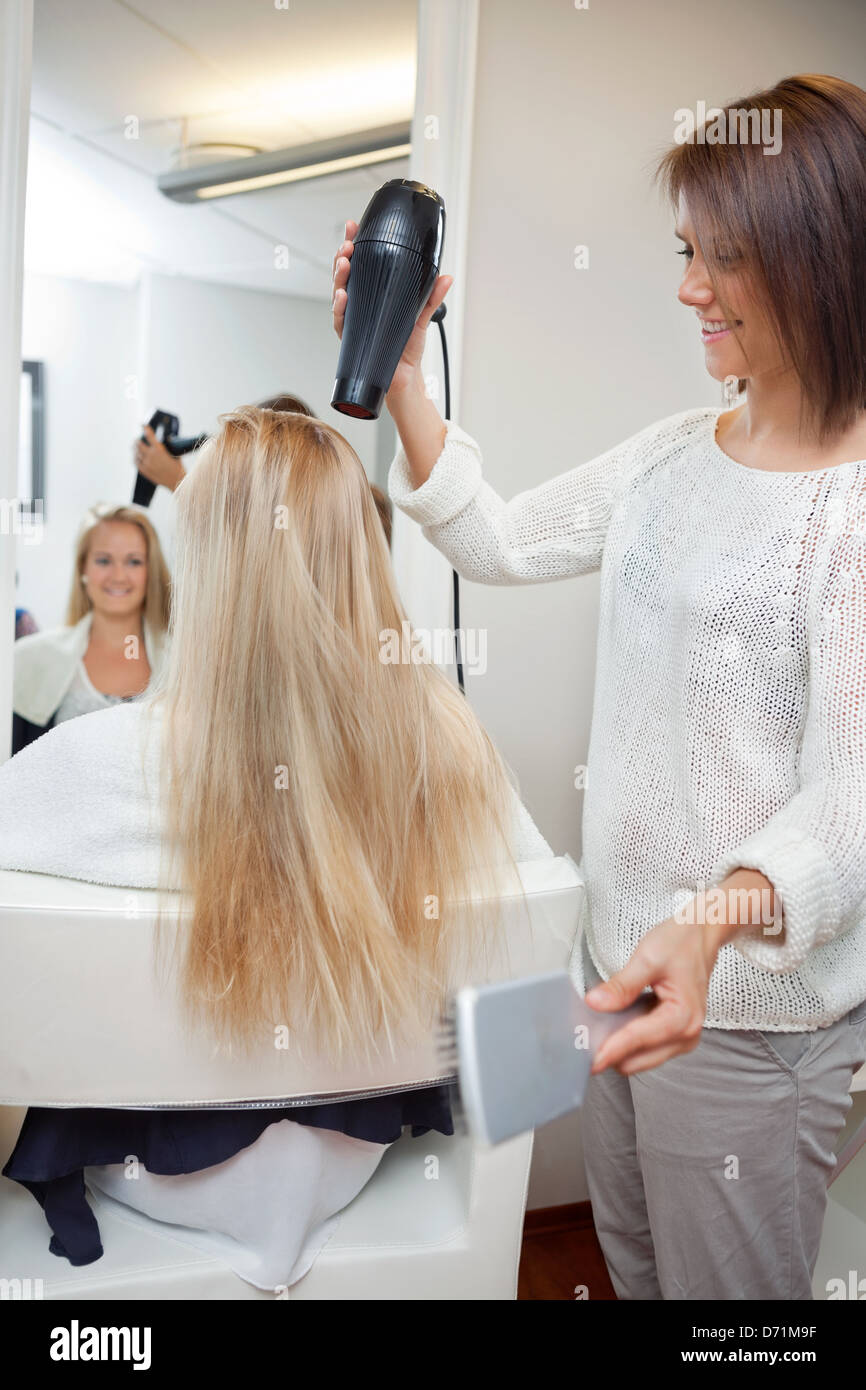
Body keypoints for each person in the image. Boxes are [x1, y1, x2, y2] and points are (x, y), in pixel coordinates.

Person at [332, 72, 866, 1300]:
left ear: (821, 257)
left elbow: (849, 806)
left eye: (722, 259)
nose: (687, 288)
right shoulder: (678, 453)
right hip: (621, 969)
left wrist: (707, 918)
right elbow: (501, 539)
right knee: (634, 1272)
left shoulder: (850, 515)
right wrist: (401, 370)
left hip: (741, 1019)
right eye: (686, 251)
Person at [0, 406, 553, 1292]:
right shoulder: (455, 763)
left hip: (163, 1176)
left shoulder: (89, 767)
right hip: (350, 1160)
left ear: (207, 568)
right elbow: (540, 921)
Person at [11, 504, 170, 755]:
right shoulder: (28, 658)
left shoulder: (184, 661)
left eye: (134, 561)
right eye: (104, 560)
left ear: (150, 571)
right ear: (83, 568)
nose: (118, 575)